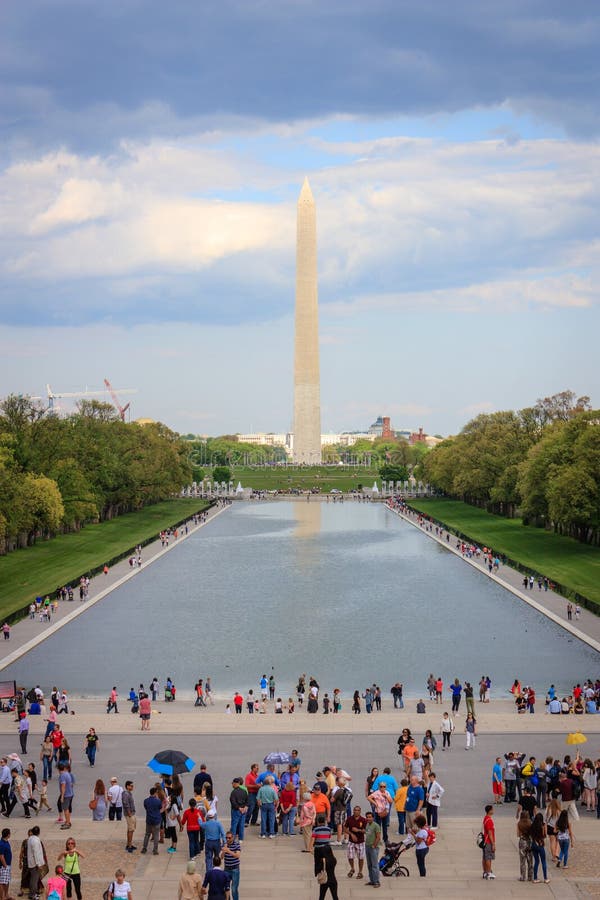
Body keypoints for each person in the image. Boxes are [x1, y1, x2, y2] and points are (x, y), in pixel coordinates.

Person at [344, 805, 366, 878]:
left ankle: (360, 872)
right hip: (351, 841)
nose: (356, 811)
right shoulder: (349, 819)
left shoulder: (363, 820)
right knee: (350, 856)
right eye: (355, 810)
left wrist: (358, 830)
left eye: (358, 810)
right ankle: (352, 868)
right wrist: (351, 834)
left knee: (361, 858)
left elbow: (366, 831)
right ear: (353, 811)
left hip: (360, 841)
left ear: (360, 811)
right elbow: (345, 828)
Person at [141, 787, 162, 855]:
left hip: (149, 819)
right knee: (156, 835)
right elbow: (160, 807)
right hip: (156, 819)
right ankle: (155, 850)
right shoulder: (158, 801)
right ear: (155, 793)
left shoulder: (146, 801)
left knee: (147, 834)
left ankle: (144, 848)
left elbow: (146, 807)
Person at [530, 812, 550, 884]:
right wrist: (545, 828)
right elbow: (544, 835)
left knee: (536, 861)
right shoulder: (542, 826)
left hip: (533, 844)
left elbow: (531, 835)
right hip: (540, 844)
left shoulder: (532, 826)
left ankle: (535, 878)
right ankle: (545, 878)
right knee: (543, 861)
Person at [27, 825, 45, 900]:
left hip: (31, 862)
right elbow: (36, 853)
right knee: (34, 880)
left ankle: (32, 893)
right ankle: (33, 895)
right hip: (35, 864)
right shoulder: (36, 841)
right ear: (39, 832)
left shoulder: (30, 839)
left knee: (32, 879)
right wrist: (38, 864)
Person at [364, 810, 381, 888]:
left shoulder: (376, 826)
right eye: (367, 817)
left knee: (374, 865)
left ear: (373, 818)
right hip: (367, 846)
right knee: (369, 865)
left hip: (373, 847)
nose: (368, 818)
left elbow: (378, 837)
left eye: (370, 817)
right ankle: (372, 880)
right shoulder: (367, 825)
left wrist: (374, 845)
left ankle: (377, 881)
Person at [222, 832, 241, 900]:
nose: (227, 839)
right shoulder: (224, 845)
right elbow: (221, 857)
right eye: (226, 838)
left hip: (235, 869)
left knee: (234, 889)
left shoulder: (236, 845)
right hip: (226, 869)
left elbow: (237, 855)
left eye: (229, 838)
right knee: (226, 888)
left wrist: (228, 851)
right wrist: (223, 851)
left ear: (232, 838)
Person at [516, 810, 533, 882]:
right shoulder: (530, 823)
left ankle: (523, 876)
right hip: (529, 841)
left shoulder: (519, 824)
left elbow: (518, 834)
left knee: (522, 860)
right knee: (530, 860)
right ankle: (530, 876)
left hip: (522, 841)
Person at [57, 764, 74, 829]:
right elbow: (71, 784)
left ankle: (67, 823)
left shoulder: (62, 776)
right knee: (67, 808)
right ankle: (68, 821)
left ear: (58, 769)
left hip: (66, 795)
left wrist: (62, 796)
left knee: (65, 809)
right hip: (70, 793)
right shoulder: (67, 773)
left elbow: (63, 786)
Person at [482, 804, 496, 879]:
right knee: (488, 858)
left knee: (484, 857)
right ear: (490, 811)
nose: (493, 811)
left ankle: (485, 872)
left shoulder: (485, 818)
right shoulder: (489, 821)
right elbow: (490, 833)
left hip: (485, 841)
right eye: (492, 809)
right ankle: (489, 872)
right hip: (488, 842)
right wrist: (493, 844)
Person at [122, 781, 137, 853]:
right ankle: (129, 846)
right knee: (131, 830)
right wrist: (129, 813)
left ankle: (129, 844)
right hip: (129, 814)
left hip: (131, 813)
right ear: (127, 786)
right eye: (131, 786)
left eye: (132, 786)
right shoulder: (126, 794)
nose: (132, 787)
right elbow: (126, 804)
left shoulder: (129, 793)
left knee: (130, 829)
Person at [0, 827, 11, 900]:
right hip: (4, 866)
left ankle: (6, 895)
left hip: (7, 865)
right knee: (2, 882)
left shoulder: (6, 841)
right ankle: (2, 897)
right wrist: (5, 866)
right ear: (8, 835)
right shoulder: (2, 844)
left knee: (7, 881)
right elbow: (1, 856)